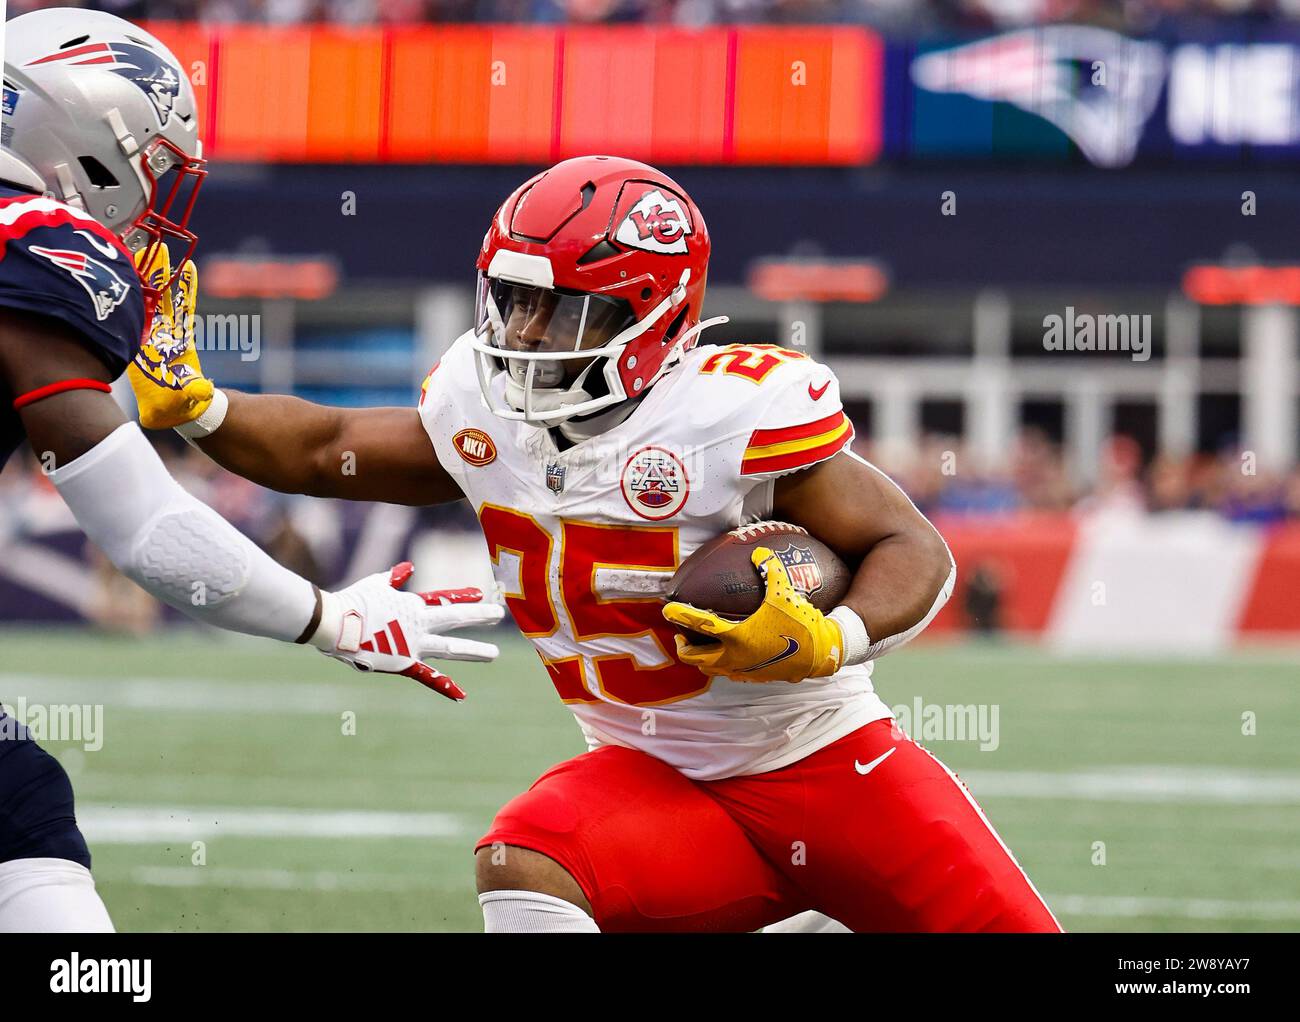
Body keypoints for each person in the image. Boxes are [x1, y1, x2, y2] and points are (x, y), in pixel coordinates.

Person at [138, 154, 1060, 932]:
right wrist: (200, 407)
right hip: (650, 775)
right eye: (513, 301)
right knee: (526, 862)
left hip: (825, 767)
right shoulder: (483, 408)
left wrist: (836, 635)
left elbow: (912, 545)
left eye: (563, 311)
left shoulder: (729, 410)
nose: (524, 334)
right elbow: (325, 448)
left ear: (651, 316)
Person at [0, 7, 501, 933]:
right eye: (150, 163)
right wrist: (328, 616)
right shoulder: (33, 238)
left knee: (21, 813)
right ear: (80, 141)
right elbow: (138, 521)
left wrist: (199, 409)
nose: (151, 196)